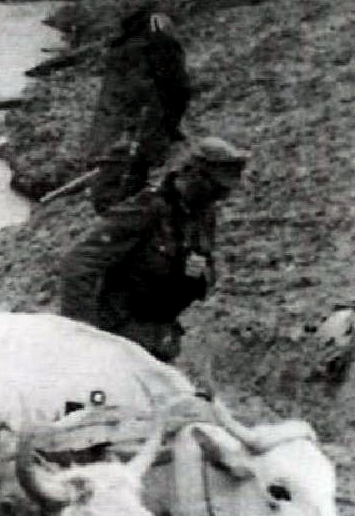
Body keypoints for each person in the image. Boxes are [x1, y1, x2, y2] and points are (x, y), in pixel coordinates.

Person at [58, 136, 249, 362]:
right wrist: (83, 333)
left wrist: (200, 275)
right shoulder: (145, 209)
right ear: (194, 175)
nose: (222, 197)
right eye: (217, 189)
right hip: (118, 337)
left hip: (159, 337)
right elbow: (79, 262)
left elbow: (207, 271)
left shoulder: (203, 214)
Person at [82, 0, 191, 214]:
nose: (124, 1)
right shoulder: (128, 30)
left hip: (137, 134)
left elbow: (176, 88)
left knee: (118, 202)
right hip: (116, 133)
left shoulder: (155, 30)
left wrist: (161, 131)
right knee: (109, 199)